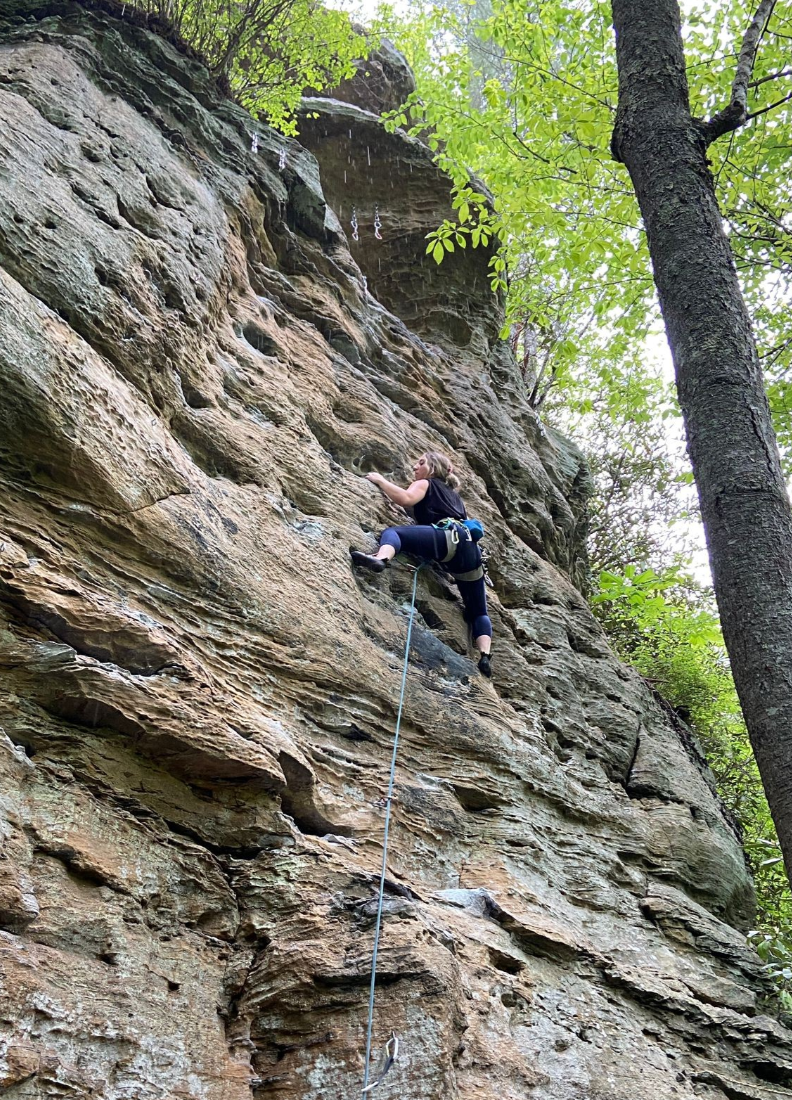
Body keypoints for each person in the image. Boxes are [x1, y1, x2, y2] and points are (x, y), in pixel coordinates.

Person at [350, 451, 493, 677]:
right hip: (470, 552)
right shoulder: (456, 499)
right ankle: (485, 656)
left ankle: (381, 558)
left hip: (445, 539)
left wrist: (380, 480)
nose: (415, 467)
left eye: (421, 463)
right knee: (478, 610)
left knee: (394, 532)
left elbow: (406, 499)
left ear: (433, 468)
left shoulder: (426, 483)